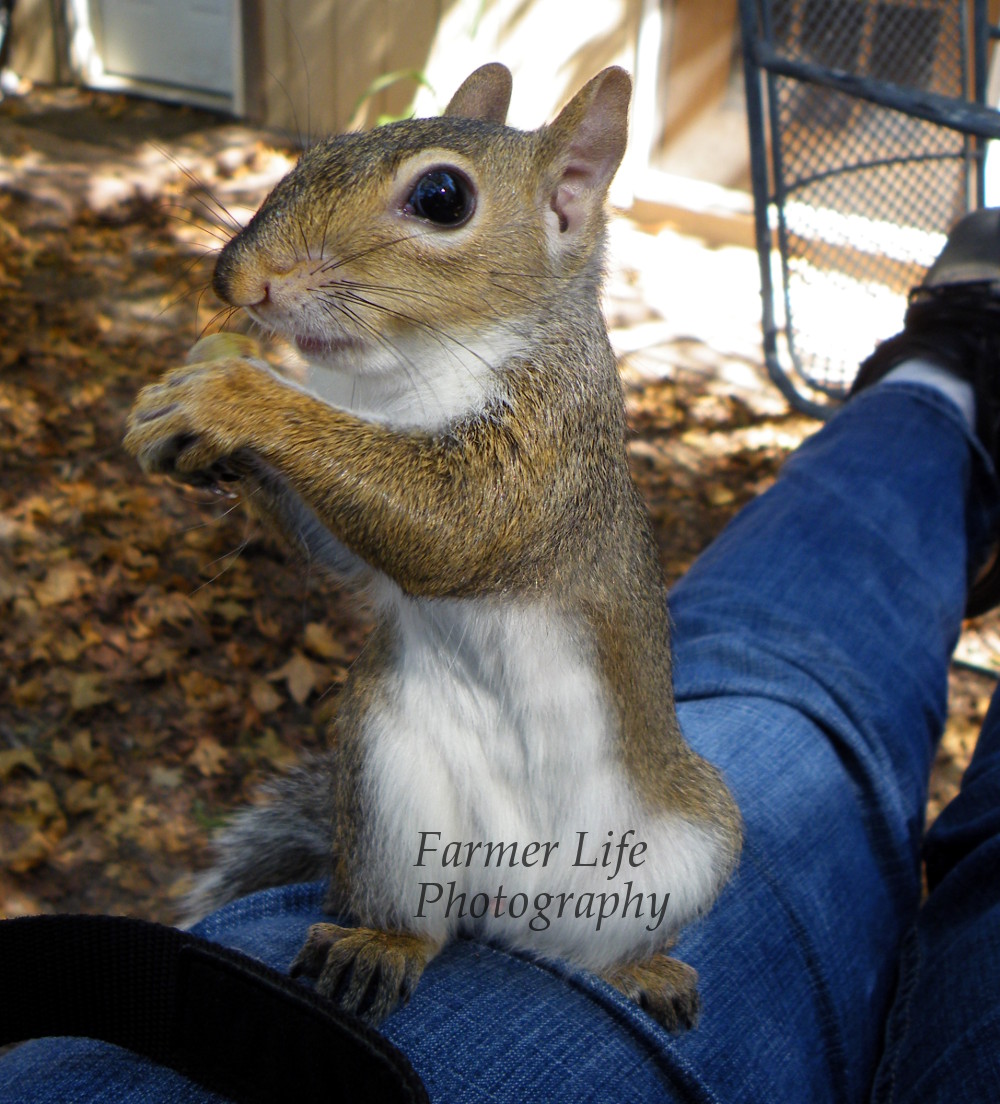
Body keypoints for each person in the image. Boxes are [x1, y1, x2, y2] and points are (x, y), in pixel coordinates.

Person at [3, 209, 1000, 1104]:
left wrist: (271, 416)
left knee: (776, 701)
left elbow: (452, 536)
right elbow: (371, 546)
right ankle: (942, 386)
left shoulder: (537, 382)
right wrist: (253, 464)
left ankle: (935, 388)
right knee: (783, 703)